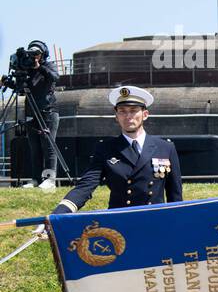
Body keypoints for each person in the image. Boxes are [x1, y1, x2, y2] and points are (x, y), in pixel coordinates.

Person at [56, 86, 183, 214]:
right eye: (122, 111)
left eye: (133, 110)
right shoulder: (106, 148)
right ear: (116, 116)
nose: (128, 116)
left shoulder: (165, 148)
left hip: (154, 220)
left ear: (145, 114)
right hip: (119, 222)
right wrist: (58, 214)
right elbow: (86, 185)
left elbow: (175, 196)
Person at [19, 41, 60, 189]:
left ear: (43, 55)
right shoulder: (27, 69)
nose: (34, 57)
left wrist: (39, 67)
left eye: (37, 54)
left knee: (48, 145)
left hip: (48, 111)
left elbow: (55, 77)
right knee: (34, 147)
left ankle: (49, 179)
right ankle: (35, 179)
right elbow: (20, 90)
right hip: (31, 112)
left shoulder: (48, 66)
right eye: (32, 54)